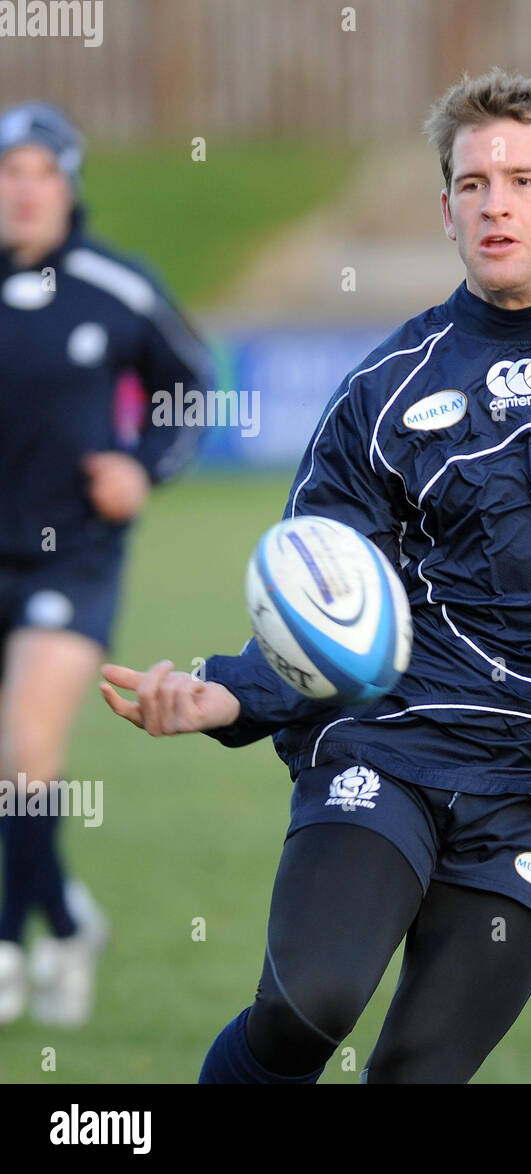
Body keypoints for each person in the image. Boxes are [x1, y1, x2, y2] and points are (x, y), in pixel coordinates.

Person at [100, 69, 531, 1084]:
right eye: (472, 184)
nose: (496, 202)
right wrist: (229, 690)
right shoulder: (384, 388)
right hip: (395, 736)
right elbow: (323, 589)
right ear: (446, 208)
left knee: (417, 1071)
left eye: (523, 179)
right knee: (303, 1010)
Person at [0, 102, 210, 1027]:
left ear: (69, 184)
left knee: (25, 751)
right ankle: (67, 918)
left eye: (42, 171)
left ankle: (10, 948)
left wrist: (142, 465)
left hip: (72, 559)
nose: (24, 190)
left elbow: (193, 384)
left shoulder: (113, 286)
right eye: (9, 172)